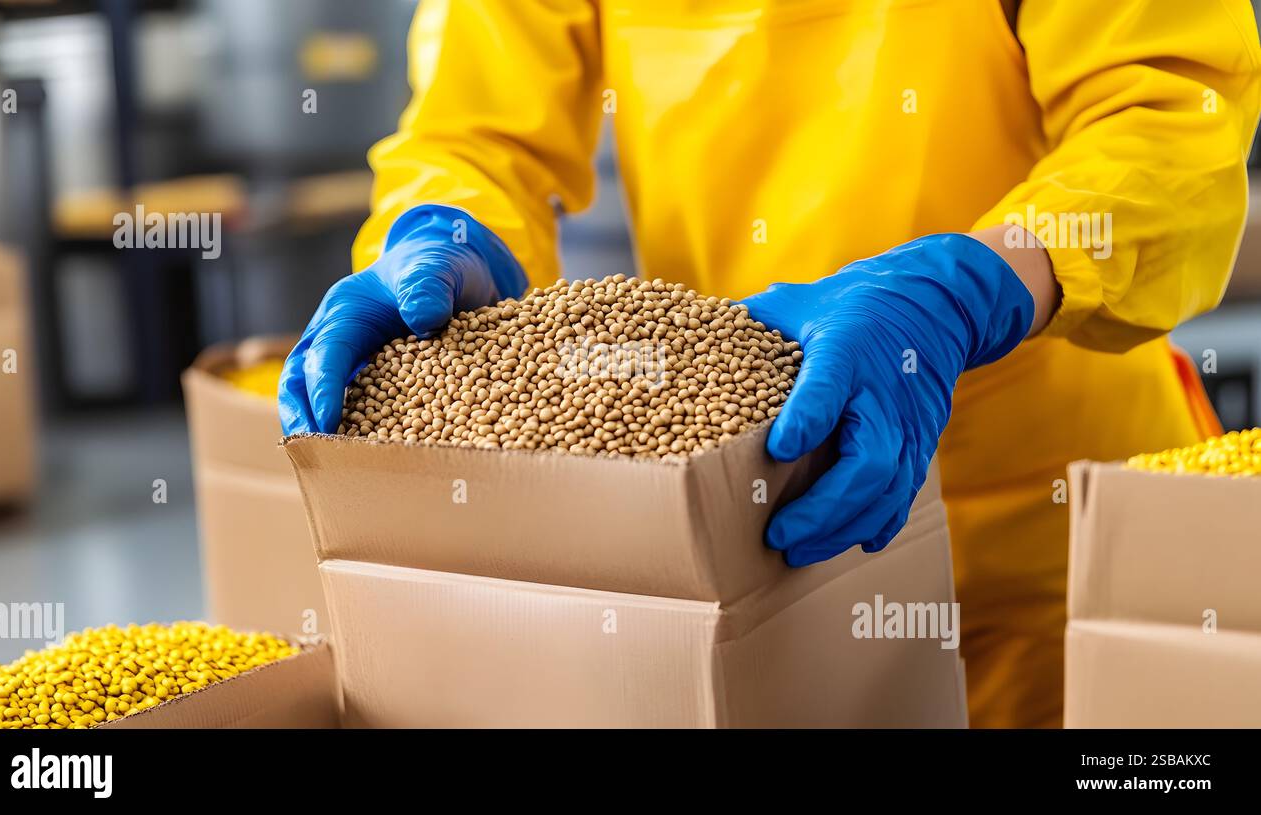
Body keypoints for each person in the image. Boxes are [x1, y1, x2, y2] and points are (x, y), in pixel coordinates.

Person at [279, 0, 1261, 727]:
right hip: (768, 522)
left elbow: (1168, 116)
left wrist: (971, 285)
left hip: (1060, 540)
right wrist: (443, 227)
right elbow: (475, 129)